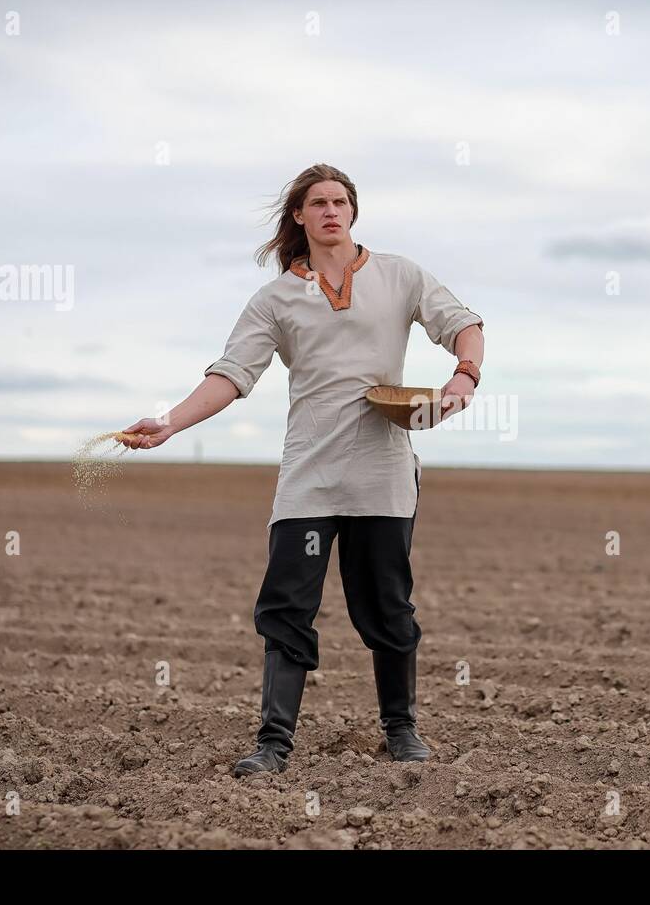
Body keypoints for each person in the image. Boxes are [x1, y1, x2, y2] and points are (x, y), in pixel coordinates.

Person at [122, 164, 485, 775]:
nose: (330, 211)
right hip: (308, 481)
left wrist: (463, 376)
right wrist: (170, 423)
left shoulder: (400, 276)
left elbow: (463, 325)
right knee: (287, 607)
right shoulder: (275, 298)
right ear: (299, 216)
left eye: (340, 201)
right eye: (317, 202)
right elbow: (231, 376)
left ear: (353, 211)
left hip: (382, 477)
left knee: (389, 610)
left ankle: (402, 732)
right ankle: (272, 744)